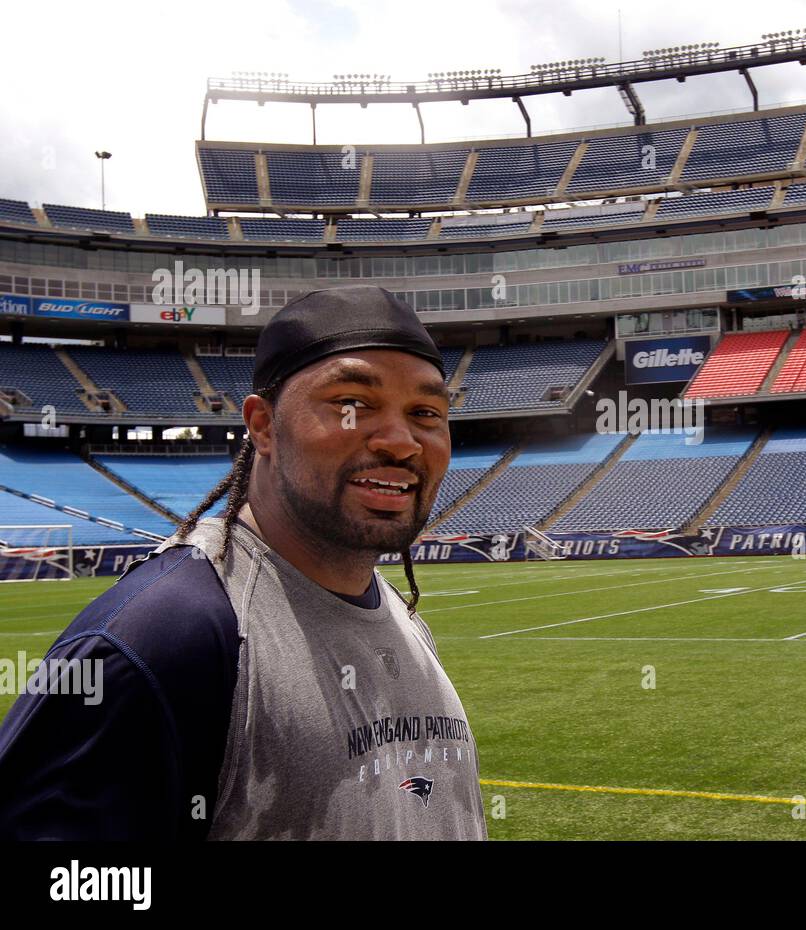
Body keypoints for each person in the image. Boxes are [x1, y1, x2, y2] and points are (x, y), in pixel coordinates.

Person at [0, 285, 488, 840]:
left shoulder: (399, 613)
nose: (402, 442)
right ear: (261, 425)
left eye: (426, 412)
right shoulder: (163, 639)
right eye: (353, 405)